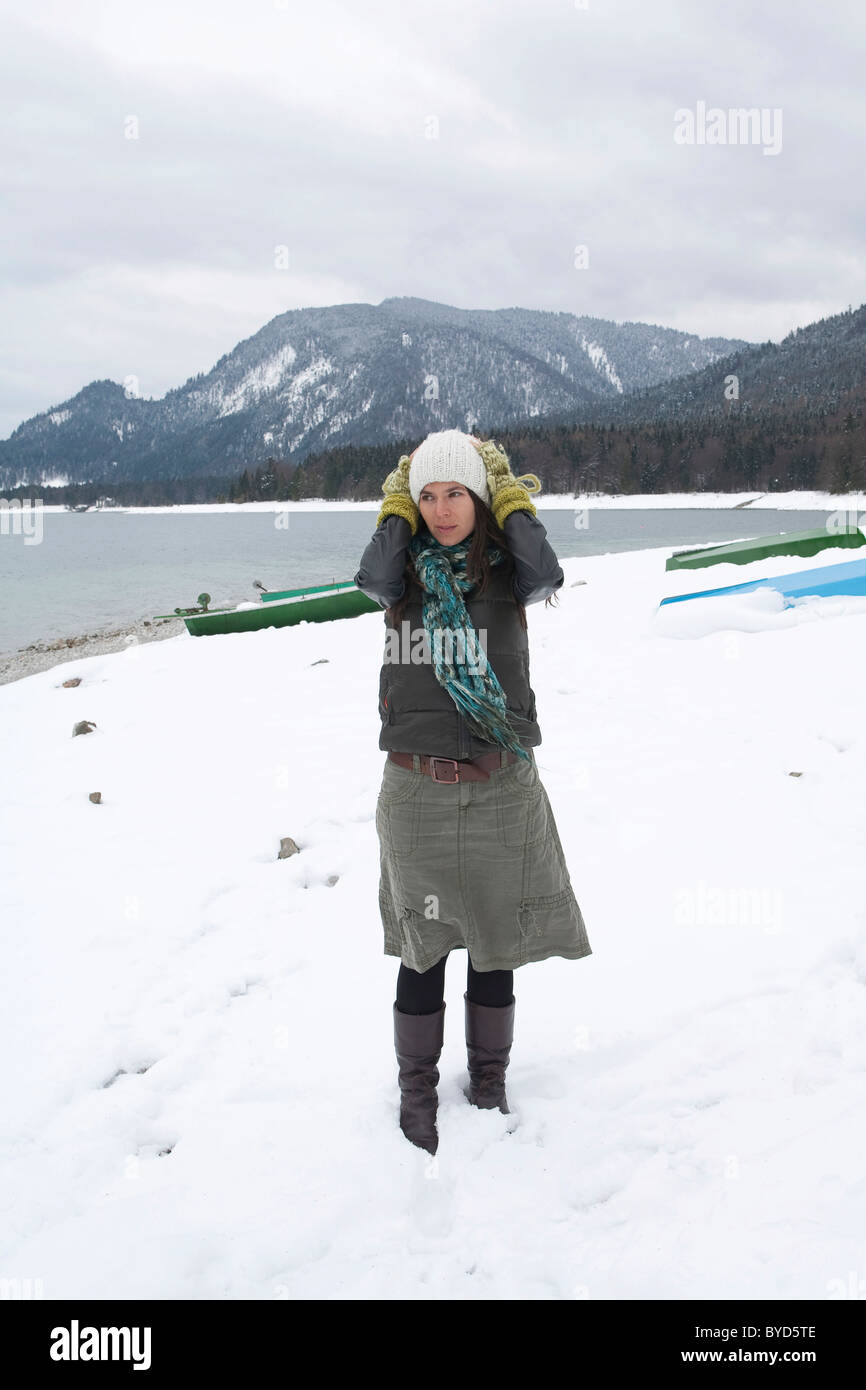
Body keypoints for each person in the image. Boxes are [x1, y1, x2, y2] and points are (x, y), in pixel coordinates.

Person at [354, 428, 591, 1156]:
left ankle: (489, 1080)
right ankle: (417, 1090)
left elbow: (546, 570)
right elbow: (373, 573)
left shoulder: (505, 574)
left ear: (482, 499)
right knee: (423, 950)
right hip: (417, 792)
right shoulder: (405, 581)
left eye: (456, 492)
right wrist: (396, 506)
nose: (442, 509)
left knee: (496, 944)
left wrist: (509, 494)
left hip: (501, 786)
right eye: (426, 496)